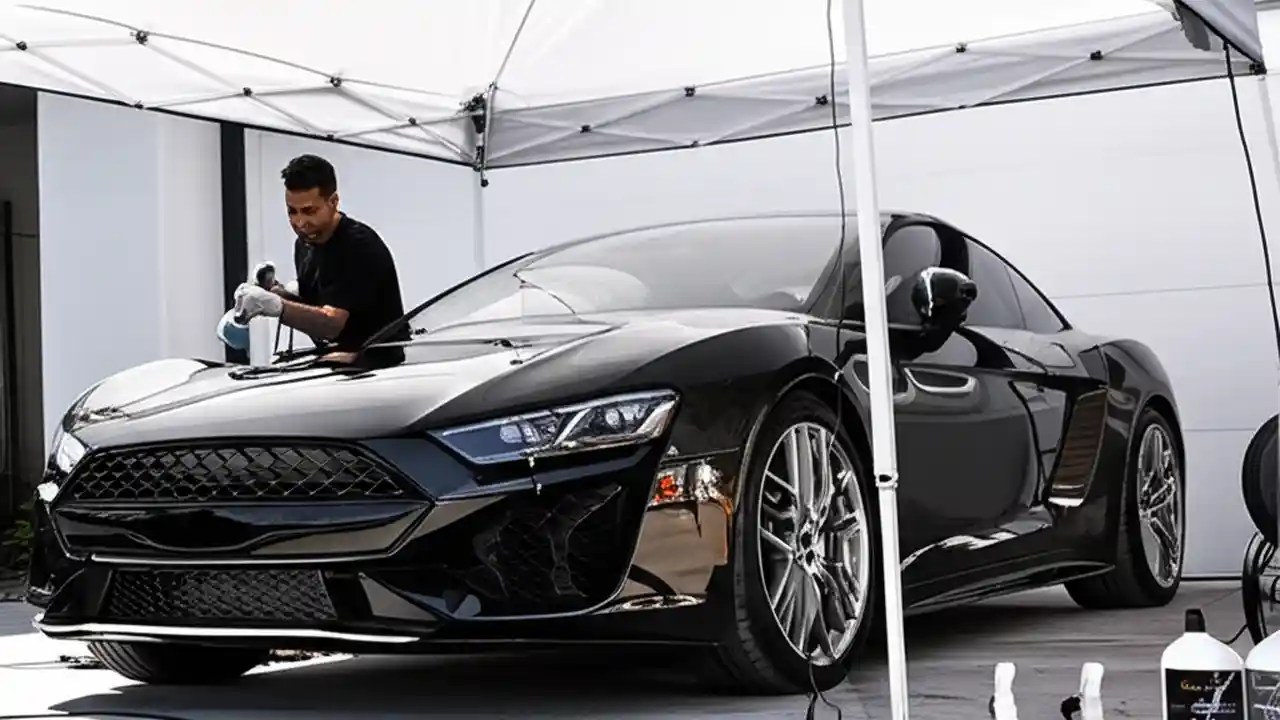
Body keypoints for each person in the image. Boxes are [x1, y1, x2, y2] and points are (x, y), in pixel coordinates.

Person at [233, 154, 410, 361]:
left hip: (378, 370)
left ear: (333, 201)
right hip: (339, 364)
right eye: (292, 211)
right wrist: (273, 293)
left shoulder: (358, 245)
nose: (300, 222)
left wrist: (275, 306)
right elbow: (317, 310)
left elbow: (331, 325)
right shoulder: (304, 244)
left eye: (310, 211)